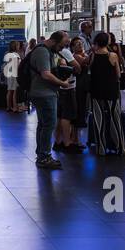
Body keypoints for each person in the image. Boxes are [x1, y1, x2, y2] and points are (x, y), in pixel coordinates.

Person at [26, 31, 74, 168]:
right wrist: (62, 83)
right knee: (48, 124)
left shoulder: (46, 50)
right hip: (44, 93)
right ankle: (44, 156)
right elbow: (46, 74)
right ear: (54, 41)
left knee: (44, 124)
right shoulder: (42, 52)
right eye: (62, 46)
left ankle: (42, 154)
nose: (62, 49)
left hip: (43, 93)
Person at [88, 32, 125, 155]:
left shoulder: (92, 55)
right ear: (107, 42)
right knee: (115, 117)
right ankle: (121, 147)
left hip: (96, 90)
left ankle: (101, 148)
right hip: (111, 90)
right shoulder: (113, 55)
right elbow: (117, 74)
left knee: (98, 118)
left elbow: (89, 69)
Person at [54, 36, 86, 153]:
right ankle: (67, 143)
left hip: (57, 86)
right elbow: (77, 67)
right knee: (66, 116)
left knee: (59, 115)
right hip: (68, 86)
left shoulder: (53, 52)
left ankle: (58, 141)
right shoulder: (65, 52)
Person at [3, 40, 21, 115]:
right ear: (15, 46)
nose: (19, 46)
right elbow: (17, 66)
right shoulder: (16, 55)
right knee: (15, 91)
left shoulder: (7, 54)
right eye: (18, 45)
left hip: (9, 74)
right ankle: (15, 107)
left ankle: (8, 107)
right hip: (15, 74)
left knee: (9, 90)